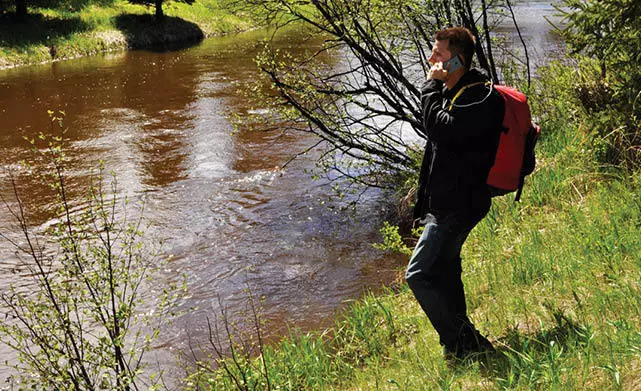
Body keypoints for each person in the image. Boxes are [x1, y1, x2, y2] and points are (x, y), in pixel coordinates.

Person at [405, 27, 505, 360]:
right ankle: (461, 341)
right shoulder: (458, 91)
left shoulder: (478, 97)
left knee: (418, 274)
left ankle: (465, 343)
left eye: (440, 54)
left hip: (459, 204)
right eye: (433, 52)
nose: (432, 59)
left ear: (458, 59)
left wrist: (431, 86)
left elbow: (443, 130)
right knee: (446, 270)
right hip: (450, 200)